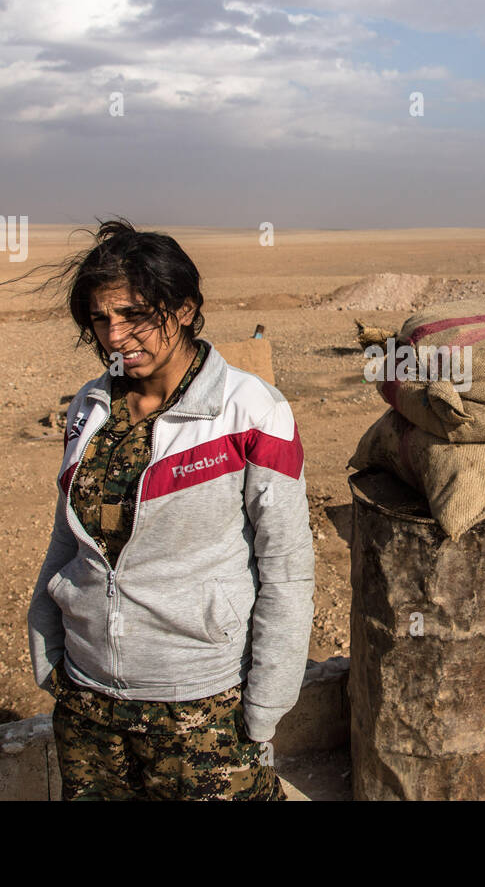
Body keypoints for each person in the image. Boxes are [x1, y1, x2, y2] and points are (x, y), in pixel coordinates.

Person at [26, 218, 315, 800]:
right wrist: (47, 645)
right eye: (100, 319)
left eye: (133, 314)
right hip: (87, 701)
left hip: (201, 705)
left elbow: (286, 567)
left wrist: (263, 710)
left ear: (183, 309)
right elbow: (68, 534)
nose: (115, 335)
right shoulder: (90, 404)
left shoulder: (251, 410)